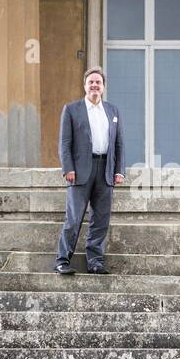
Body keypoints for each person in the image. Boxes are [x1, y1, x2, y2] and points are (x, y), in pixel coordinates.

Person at [55, 67, 125, 275]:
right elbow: (64, 143)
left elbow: (119, 143)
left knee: (101, 218)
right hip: (80, 171)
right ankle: (62, 260)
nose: (94, 85)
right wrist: (68, 168)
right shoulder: (72, 109)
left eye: (98, 83)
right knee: (74, 218)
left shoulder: (113, 111)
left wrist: (119, 170)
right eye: (91, 82)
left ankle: (95, 261)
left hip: (105, 170)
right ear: (84, 86)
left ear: (103, 87)